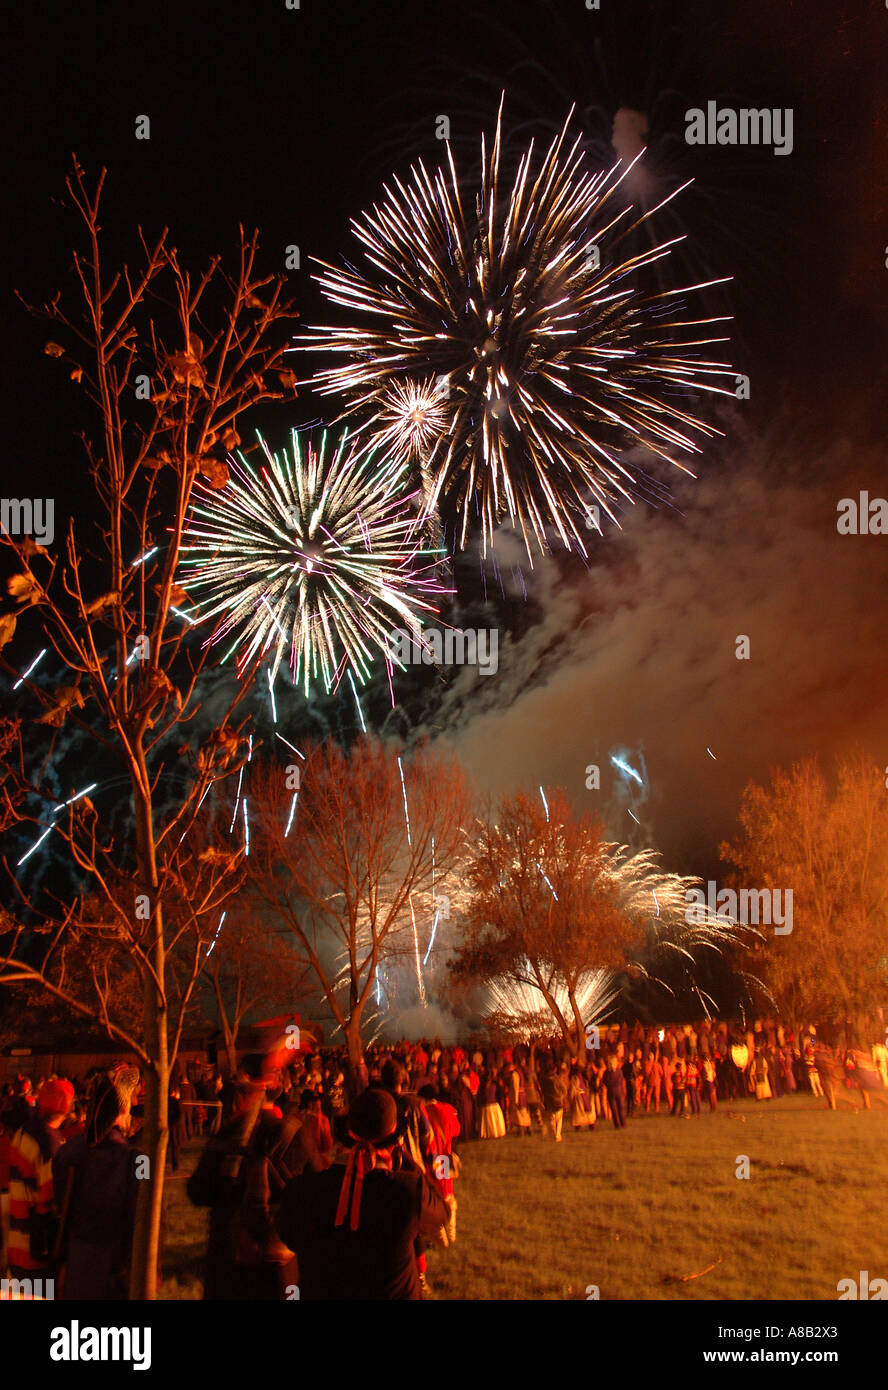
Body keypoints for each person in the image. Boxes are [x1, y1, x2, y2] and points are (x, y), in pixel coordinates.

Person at [276, 1087, 448, 1299]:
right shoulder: (408, 1191)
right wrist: (408, 1162)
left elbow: (288, 1235)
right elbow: (441, 1214)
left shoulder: (304, 1189)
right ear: (395, 1141)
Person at [52, 1068, 140, 1299]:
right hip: (117, 1265)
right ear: (122, 1109)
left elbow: (61, 1202)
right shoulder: (140, 1159)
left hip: (76, 1260)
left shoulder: (67, 1150)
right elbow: (144, 1211)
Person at [7, 1077, 74, 1282]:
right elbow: (50, 1201)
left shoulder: (23, 1132)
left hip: (16, 1242)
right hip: (36, 1252)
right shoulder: (50, 1146)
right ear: (66, 1109)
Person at [540, 1061, 565, 1142]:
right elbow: (564, 1089)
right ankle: (557, 1135)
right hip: (558, 1101)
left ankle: (555, 1134)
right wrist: (562, 1096)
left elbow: (542, 1091)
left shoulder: (544, 1080)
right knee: (559, 1120)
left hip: (549, 1102)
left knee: (552, 1119)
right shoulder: (557, 1079)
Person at [603, 1056, 626, 1130]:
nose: (612, 1065)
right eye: (611, 1064)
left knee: (621, 1108)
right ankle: (617, 1124)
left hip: (618, 1092)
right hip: (611, 1093)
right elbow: (605, 1081)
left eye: (613, 1063)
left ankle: (623, 1123)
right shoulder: (606, 1072)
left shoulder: (619, 1071)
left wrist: (611, 1084)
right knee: (614, 1109)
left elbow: (619, 1081)